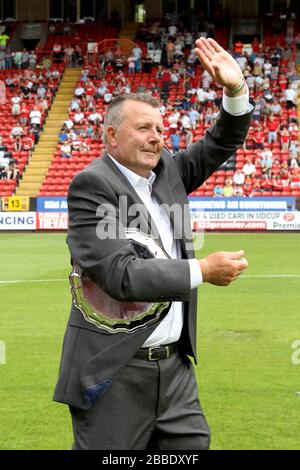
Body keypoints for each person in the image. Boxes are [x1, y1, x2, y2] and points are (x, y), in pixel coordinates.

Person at [53, 37, 252, 450]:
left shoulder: (168, 173)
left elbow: (220, 143)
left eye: (160, 129)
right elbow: (119, 275)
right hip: (116, 372)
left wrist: (235, 92)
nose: (157, 138)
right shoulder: (92, 186)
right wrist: (201, 270)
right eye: (143, 128)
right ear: (110, 135)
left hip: (175, 372)